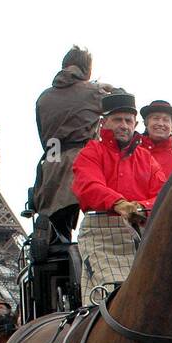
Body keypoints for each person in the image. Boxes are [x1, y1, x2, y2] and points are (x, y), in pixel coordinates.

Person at [72, 91, 167, 298]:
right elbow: (89, 186)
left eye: (128, 120)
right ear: (103, 122)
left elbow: (162, 195)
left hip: (140, 233)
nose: (123, 125)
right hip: (101, 234)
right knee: (109, 292)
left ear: (135, 124)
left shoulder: (147, 158)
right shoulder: (91, 152)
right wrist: (120, 204)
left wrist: (140, 208)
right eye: (117, 120)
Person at [31, 46, 116, 245]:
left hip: (51, 162)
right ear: (87, 70)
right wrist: (106, 87)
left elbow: (44, 136)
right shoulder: (92, 92)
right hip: (81, 160)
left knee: (57, 228)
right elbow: (122, 102)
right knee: (98, 221)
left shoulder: (43, 97)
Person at [138, 99, 172, 180]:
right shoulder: (132, 154)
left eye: (166, 120)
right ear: (146, 123)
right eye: (156, 118)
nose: (160, 124)